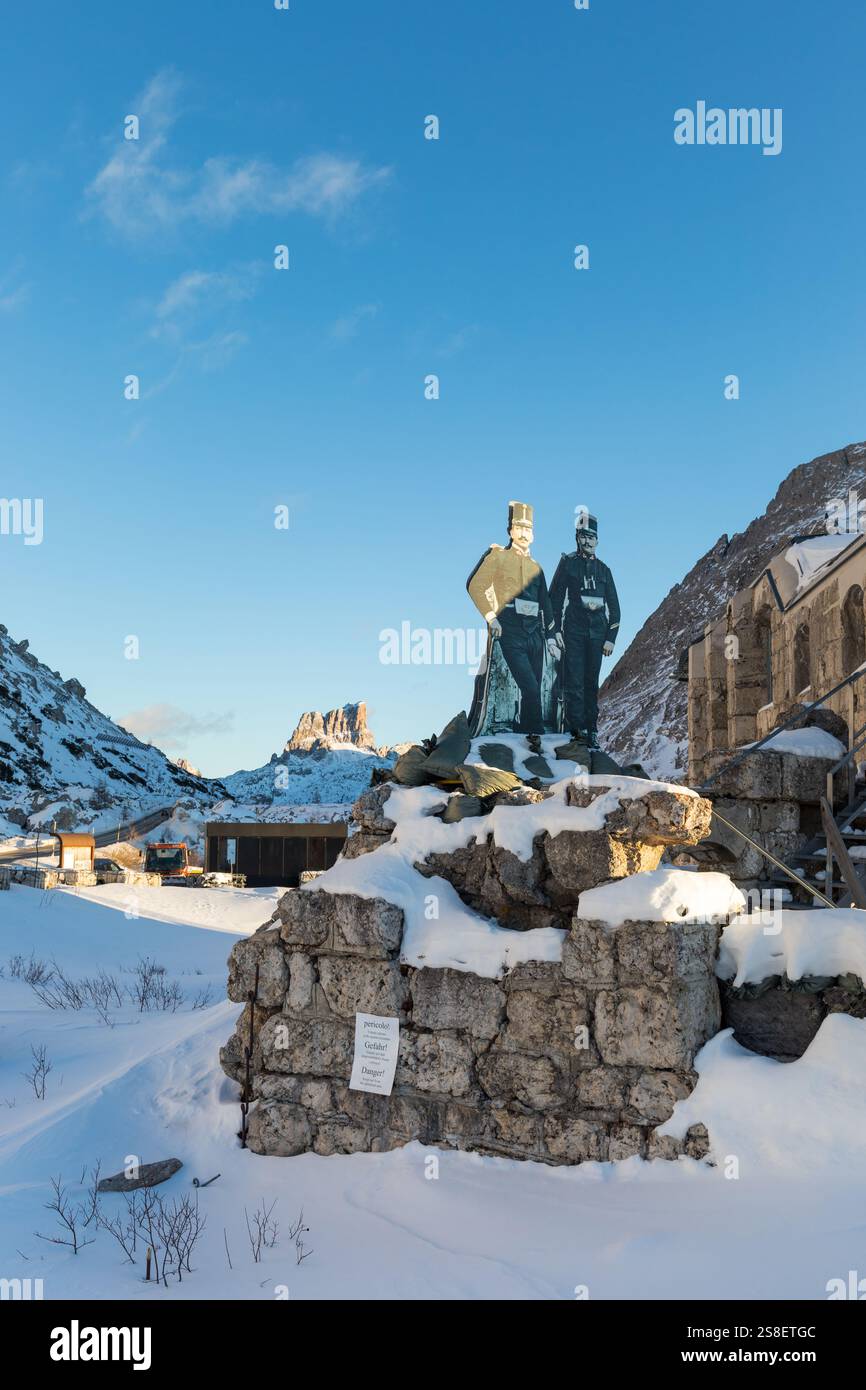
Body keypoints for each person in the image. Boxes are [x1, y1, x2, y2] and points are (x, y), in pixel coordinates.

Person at [467, 501, 561, 734]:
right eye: (519, 528)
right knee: (529, 688)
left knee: (536, 689)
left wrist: (549, 637)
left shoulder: (536, 568)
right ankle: (537, 735)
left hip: (535, 634)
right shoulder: (498, 556)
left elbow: (546, 604)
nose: (524, 533)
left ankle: (526, 733)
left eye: (528, 529)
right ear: (510, 530)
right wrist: (491, 617)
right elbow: (476, 585)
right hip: (510, 631)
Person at [549, 509, 620, 748]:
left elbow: (615, 609)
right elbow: (554, 600)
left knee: (591, 683)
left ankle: (592, 731)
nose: (588, 541)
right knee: (574, 682)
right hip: (574, 632)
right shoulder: (567, 564)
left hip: (597, 635)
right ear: (577, 538)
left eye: (592, 537)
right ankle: (575, 730)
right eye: (583, 536)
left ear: (597, 541)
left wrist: (611, 638)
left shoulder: (605, 571)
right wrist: (555, 630)